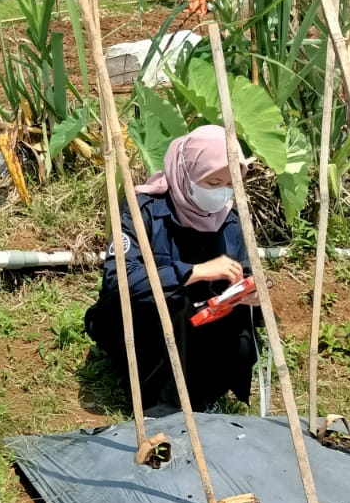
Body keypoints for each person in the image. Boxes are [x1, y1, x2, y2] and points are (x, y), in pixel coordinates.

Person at [84, 124, 259, 413]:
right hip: (145, 322)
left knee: (241, 336)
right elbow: (120, 280)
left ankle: (204, 396)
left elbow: (245, 271)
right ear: (187, 173)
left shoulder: (231, 219)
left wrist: (248, 292)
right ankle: (163, 404)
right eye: (213, 183)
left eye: (230, 185)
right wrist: (194, 272)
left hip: (205, 321)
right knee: (175, 303)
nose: (221, 194)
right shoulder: (144, 210)